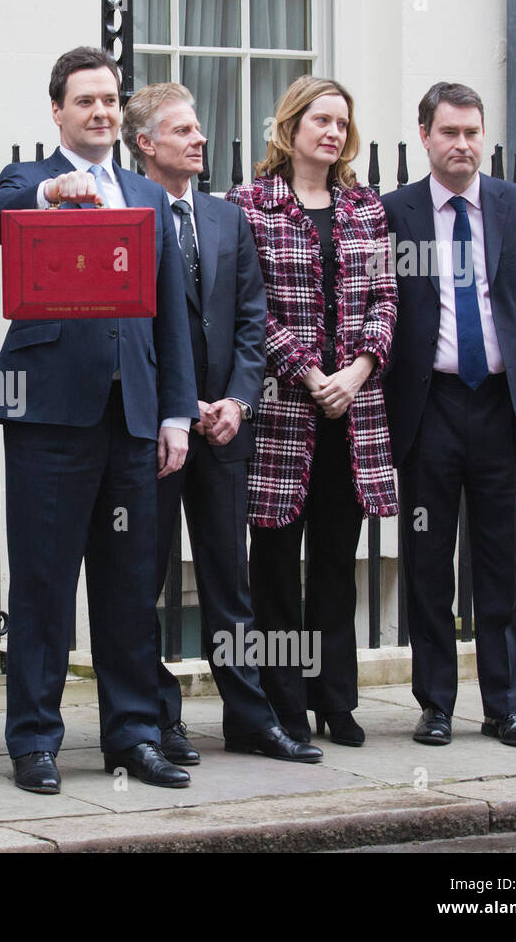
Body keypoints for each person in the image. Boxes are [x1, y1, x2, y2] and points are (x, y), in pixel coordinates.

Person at [0, 47, 196, 794]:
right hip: (48, 416)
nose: (100, 111)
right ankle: (34, 740)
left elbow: (172, 320)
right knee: (41, 584)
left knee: (131, 585)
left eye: (109, 100)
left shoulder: (148, 192)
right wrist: (47, 196)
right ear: (58, 112)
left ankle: (132, 735)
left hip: (131, 415)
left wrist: (175, 414)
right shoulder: (28, 180)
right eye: (85, 101)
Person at [123, 83, 321, 764]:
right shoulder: (129, 213)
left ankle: (249, 716)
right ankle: (159, 717)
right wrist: (172, 408)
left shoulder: (226, 217)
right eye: (181, 130)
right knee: (145, 581)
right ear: (146, 144)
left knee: (227, 583)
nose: (199, 139)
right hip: (155, 433)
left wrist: (237, 400)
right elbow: (131, 327)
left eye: (199, 128)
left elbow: (248, 318)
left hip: (226, 431)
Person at [226, 75, 397, 749]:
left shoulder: (365, 208)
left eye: (340, 123)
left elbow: (386, 300)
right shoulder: (251, 205)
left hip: (352, 418)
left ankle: (336, 700)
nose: (331, 132)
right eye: (319, 120)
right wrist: (307, 370)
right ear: (291, 126)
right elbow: (249, 308)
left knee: (335, 563)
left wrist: (355, 373)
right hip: (281, 417)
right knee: (272, 567)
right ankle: (282, 703)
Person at [382, 82, 516, 749]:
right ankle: (436, 704)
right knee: (428, 562)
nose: (463, 144)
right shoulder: (396, 211)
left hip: (503, 406)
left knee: (503, 563)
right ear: (424, 135)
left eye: (473, 132)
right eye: (449, 132)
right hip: (432, 405)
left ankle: (504, 705)